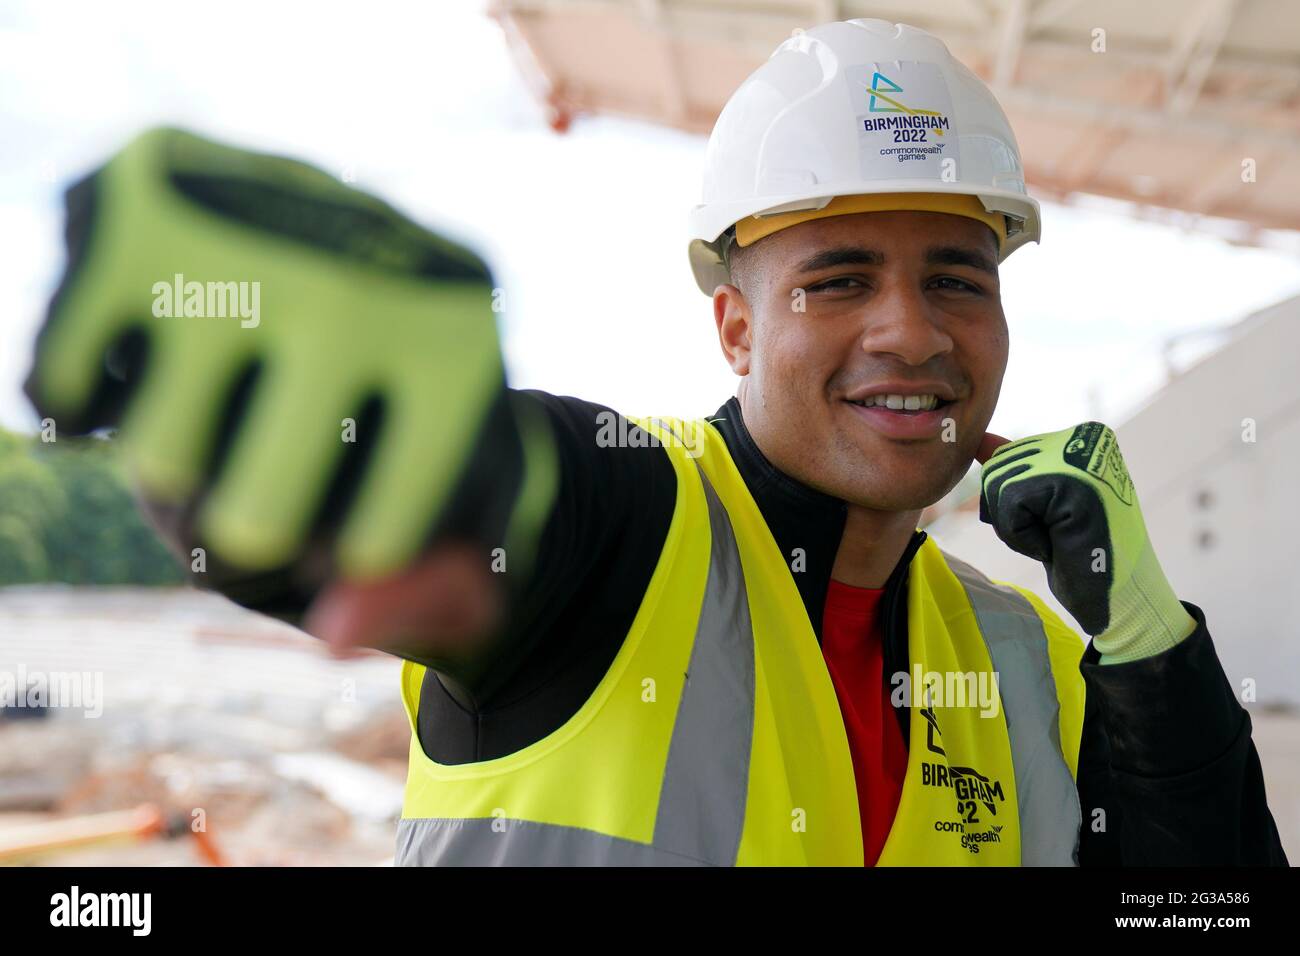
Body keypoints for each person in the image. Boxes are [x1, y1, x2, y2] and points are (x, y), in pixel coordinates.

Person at [25, 18, 1287, 866]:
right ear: (733, 327)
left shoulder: (1026, 658)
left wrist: (1149, 649)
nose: (909, 329)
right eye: (837, 281)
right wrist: (322, 444)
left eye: (956, 279)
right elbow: (479, 501)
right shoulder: (625, 524)